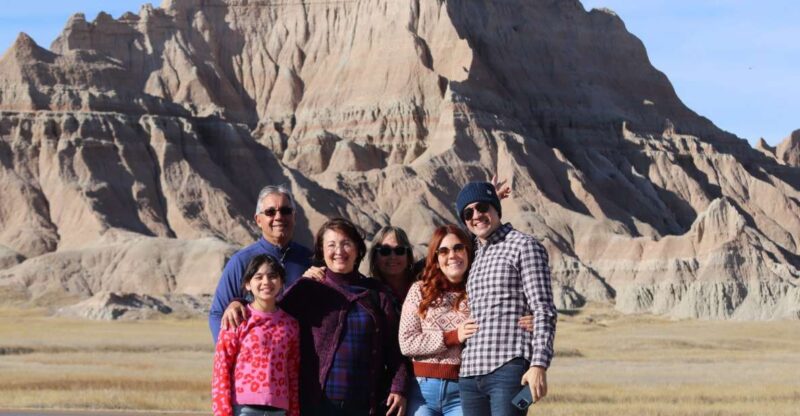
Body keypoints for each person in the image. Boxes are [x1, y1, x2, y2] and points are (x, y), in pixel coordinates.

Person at [279, 218, 409, 416]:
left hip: (364, 405)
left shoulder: (376, 293)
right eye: (331, 245)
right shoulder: (308, 288)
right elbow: (270, 316)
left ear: (358, 249)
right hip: (316, 404)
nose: (339, 251)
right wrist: (238, 304)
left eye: (346, 243)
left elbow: (394, 349)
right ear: (321, 251)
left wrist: (398, 387)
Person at [455, 182, 557, 416]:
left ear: (496, 209)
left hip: (507, 368)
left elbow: (543, 309)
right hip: (470, 373)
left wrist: (539, 364)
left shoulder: (524, 246)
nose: (476, 215)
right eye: (468, 213)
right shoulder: (472, 253)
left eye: (482, 207)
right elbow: (444, 244)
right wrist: (488, 197)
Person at [209, 185, 312, 342]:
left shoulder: (309, 260)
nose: (279, 217)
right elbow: (217, 314)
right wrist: (235, 358)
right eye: (270, 212)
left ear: (294, 216)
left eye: (285, 211)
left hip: (300, 358)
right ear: (258, 220)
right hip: (257, 361)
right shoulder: (241, 261)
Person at [398, 225, 474, 416]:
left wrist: (526, 319)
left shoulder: (477, 292)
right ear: (436, 259)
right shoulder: (419, 290)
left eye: (458, 248)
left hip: (464, 390)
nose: (452, 255)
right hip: (422, 391)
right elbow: (407, 342)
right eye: (444, 251)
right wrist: (454, 336)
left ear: (467, 252)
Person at [212, 254, 300, 416]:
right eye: (258, 277)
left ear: (281, 282)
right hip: (244, 408)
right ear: (247, 284)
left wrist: (294, 412)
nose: (266, 282)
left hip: (279, 409)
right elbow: (222, 368)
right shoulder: (237, 319)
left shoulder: (291, 325)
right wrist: (223, 412)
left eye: (272, 276)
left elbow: (292, 373)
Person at [369, 226, 417, 304]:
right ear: (375, 257)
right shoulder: (368, 293)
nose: (393, 257)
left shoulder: (424, 288)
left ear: (408, 256)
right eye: (385, 251)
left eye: (399, 250)